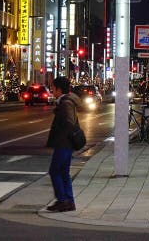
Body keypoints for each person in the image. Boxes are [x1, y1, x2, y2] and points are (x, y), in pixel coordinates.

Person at [46, 76, 84, 212]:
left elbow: (68, 123)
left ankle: (62, 200)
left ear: (58, 89)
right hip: (67, 144)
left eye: (53, 88)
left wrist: (60, 138)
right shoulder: (66, 101)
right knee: (63, 172)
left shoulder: (66, 103)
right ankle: (68, 200)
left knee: (54, 171)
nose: (52, 90)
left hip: (64, 144)